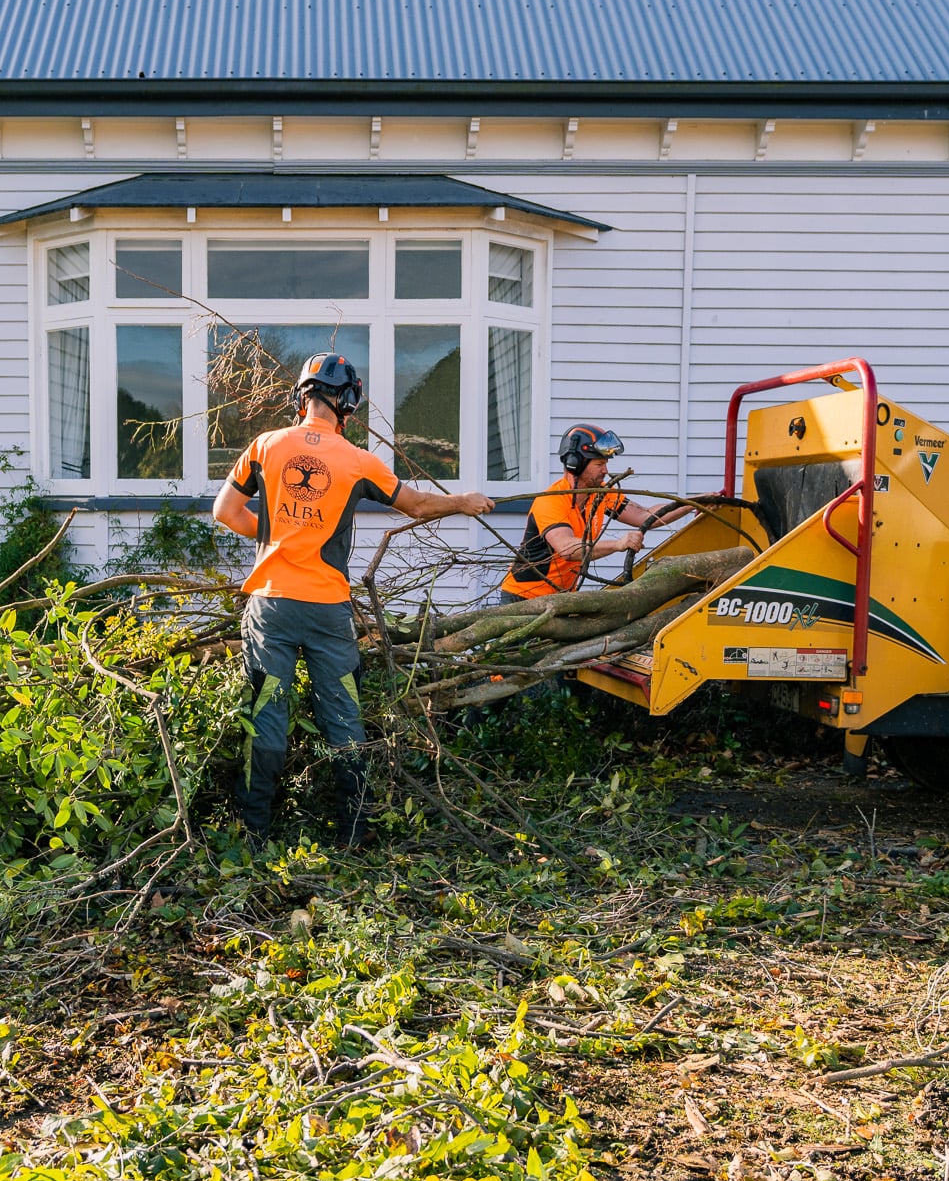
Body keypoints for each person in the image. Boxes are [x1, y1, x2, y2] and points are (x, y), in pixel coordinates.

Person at [212, 352, 494, 845]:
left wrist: (278, 538)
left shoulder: (265, 445)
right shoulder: (359, 461)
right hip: (326, 610)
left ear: (301, 397)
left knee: (266, 716)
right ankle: (353, 834)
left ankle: (254, 835)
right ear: (348, 402)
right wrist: (462, 502)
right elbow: (417, 504)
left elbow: (226, 511)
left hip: (271, 605)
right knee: (343, 719)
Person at [499, 424, 697, 605]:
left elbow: (645, 516)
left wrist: (692, 504)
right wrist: (618, 544)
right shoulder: (551, 501)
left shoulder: (601, 494)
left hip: (559, 596)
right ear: (575, 463)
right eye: (599, 464)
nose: (605, 471)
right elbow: (568, 549)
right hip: (523, 598)